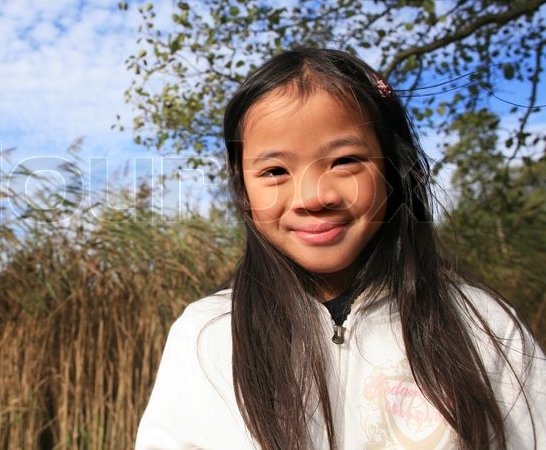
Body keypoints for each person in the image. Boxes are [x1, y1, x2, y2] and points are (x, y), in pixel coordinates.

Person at [135, 48, 545, 449]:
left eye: (344, 160)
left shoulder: (482, 325)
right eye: (275, 170)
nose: (313, 196)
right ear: (243, 190)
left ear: (392, 168)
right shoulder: (206, 335)